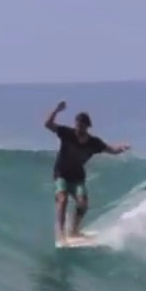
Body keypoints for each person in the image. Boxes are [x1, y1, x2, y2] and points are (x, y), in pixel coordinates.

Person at [44, 101, 130, 242]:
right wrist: (56, 110)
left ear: (87, 127)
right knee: (62, 198)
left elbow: (111, 150)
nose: (78, 128)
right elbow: (48, 124)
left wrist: (122, 148)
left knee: (83, 204)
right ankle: (60, 232)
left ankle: (73, 231)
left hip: (78, 177)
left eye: (81, 125)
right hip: (61, 174)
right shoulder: (67, 133)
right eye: (77, 125)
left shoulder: (93, 142)